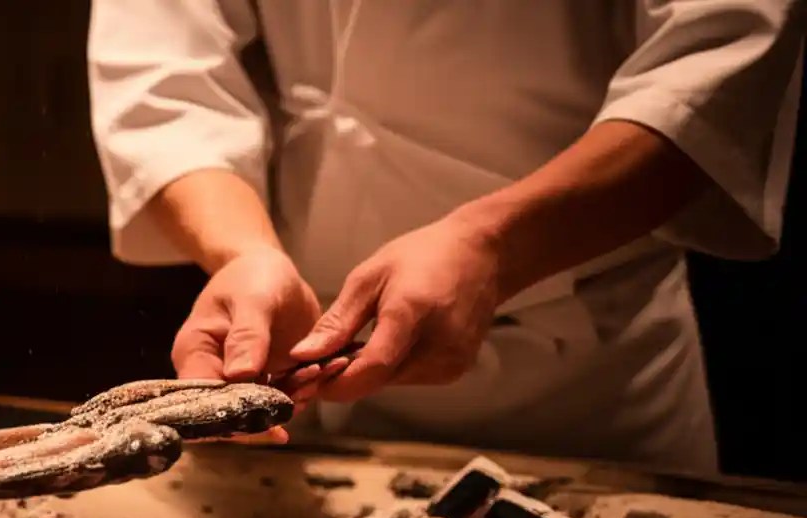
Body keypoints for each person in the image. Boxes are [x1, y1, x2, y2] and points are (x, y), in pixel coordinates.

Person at [87, 1, 804, 476]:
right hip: (312, 377)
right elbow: (160, 67)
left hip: (592, 388)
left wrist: (495, 245)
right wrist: (245, 253)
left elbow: (717, 64)